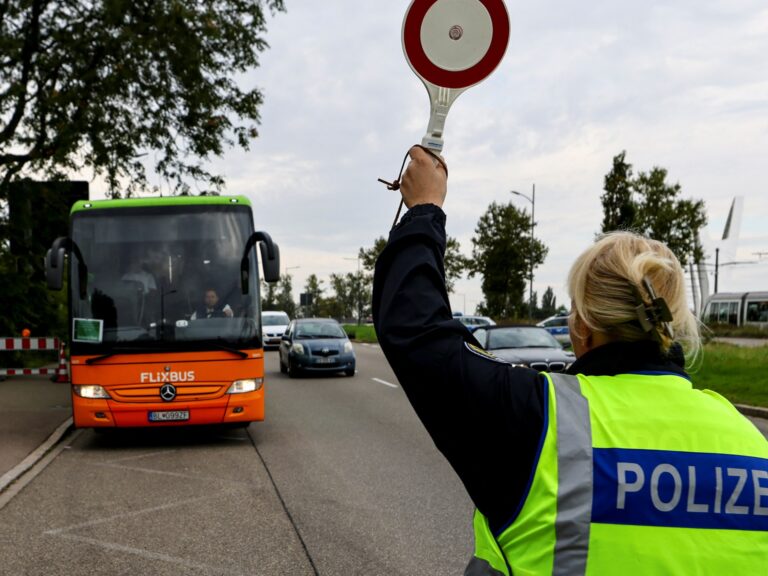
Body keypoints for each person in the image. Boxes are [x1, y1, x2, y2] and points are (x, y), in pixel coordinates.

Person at [372, 146, 768, 575]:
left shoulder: (539, 417)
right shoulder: (749, 443)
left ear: (583, 326)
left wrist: (425, 210)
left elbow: (419, 334)